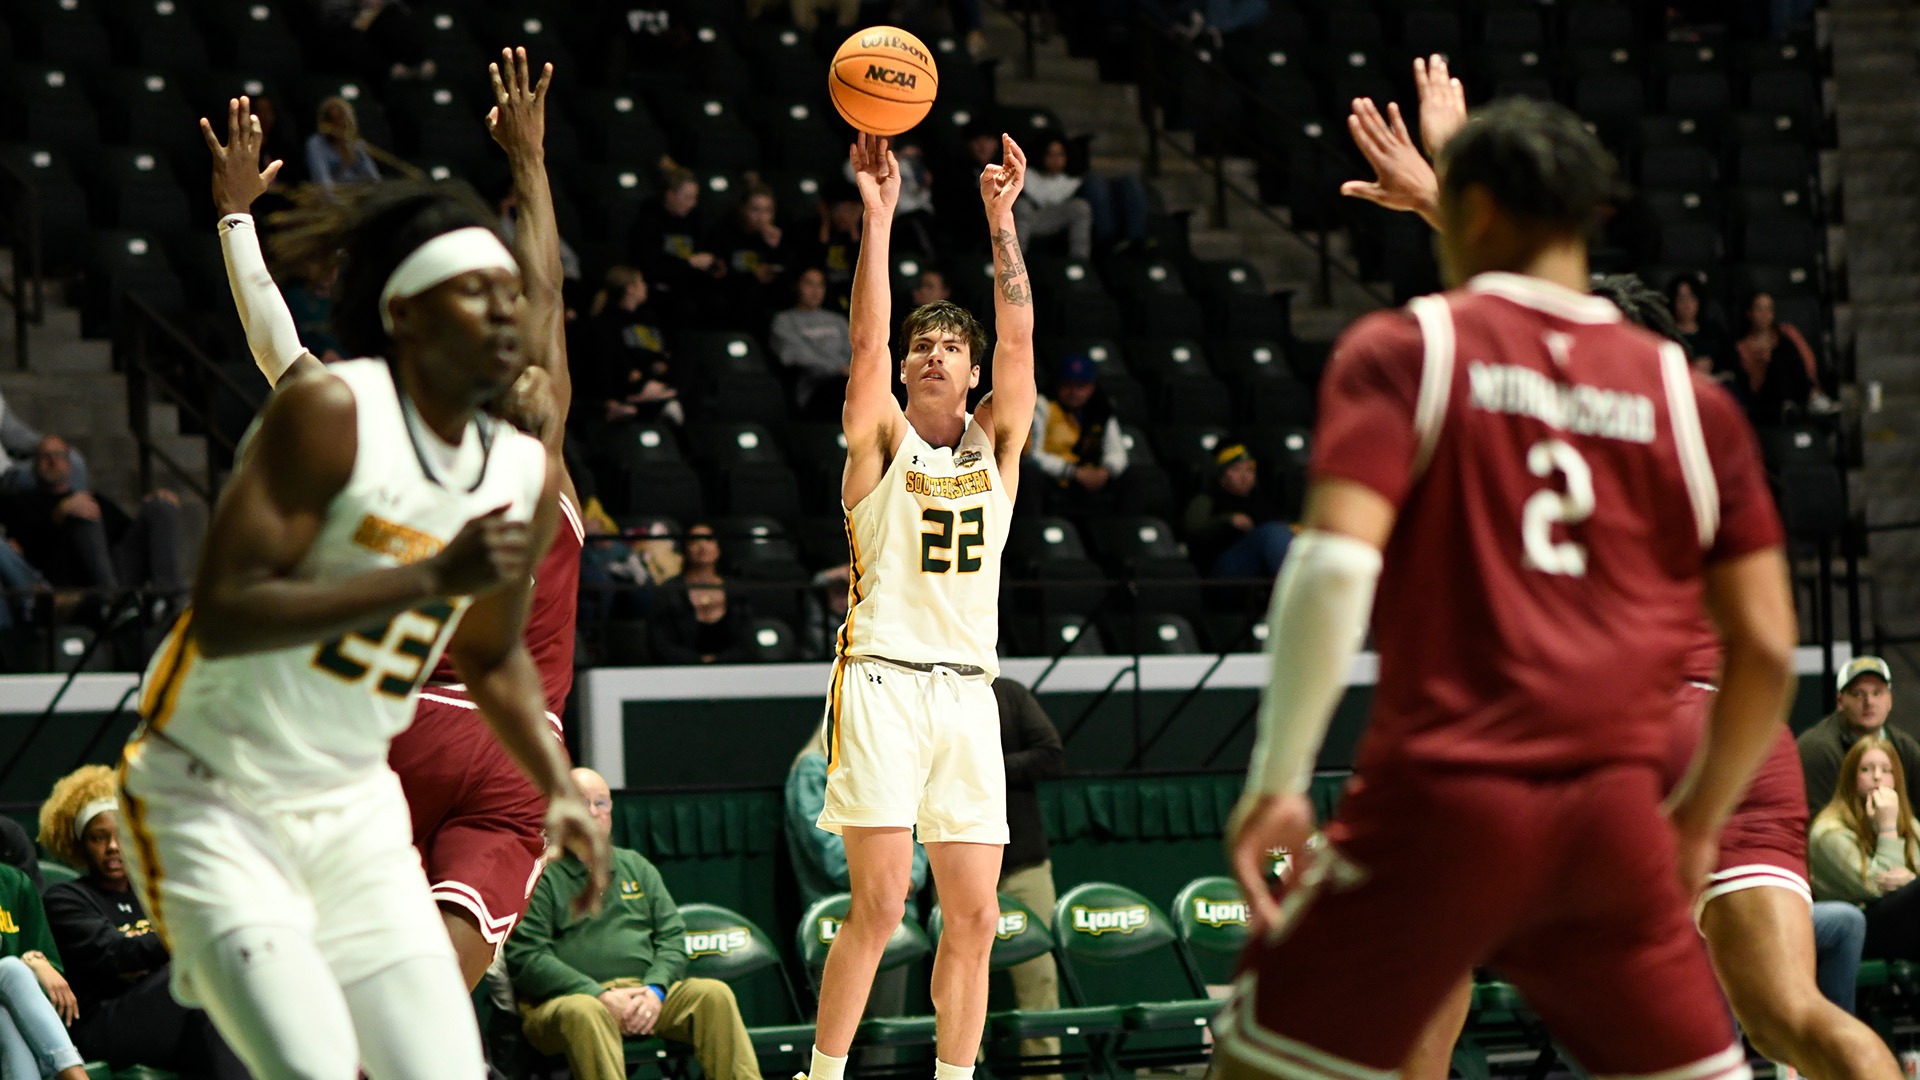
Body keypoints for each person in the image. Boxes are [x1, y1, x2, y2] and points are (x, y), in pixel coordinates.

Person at [1216, 96, 1796, 1080]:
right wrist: (1696, 820)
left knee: (1258, 1067)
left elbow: (1334, 568)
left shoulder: (1409, 350)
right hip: (1613, 825)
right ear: (1590, 216)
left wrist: (1277, 781)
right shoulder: (1690, 404)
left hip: (1442, 802)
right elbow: (1771, 648)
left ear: (1474, 215)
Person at [1340, 64, 1893, 1080]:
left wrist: (1446, 183)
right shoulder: (1701, 429)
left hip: (1619, 731)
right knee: (1790, 1017)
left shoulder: (1563, 409)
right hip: (1738, 736)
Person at [117, 88, 608, 1078]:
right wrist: (427, 574)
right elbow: (226, 610)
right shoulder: (332, 414)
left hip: (354, 803)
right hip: (219, 791)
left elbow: (490, 653)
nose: (513, 314)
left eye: (514, 296)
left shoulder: (518, 470)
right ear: (407, 315)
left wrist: (558, 786)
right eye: (481, 294)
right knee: (314, 1062)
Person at [798, 131, 1035, 1080]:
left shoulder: (997, 449)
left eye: (950, 347)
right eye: (922, 347)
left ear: (971, 375)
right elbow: (862, 338)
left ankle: (954, 1076)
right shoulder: (879, 441)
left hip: (969, 693)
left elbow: (1017, 333)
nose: (934, 355)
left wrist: (1001, 217)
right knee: (884, 904)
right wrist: (881, 211)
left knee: (977, 913)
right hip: (882, 683)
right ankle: (822, 1074)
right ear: (904, 372)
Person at [505, 767, 762, 1080]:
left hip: (643, 994)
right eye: (582, 802)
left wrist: (655, 990)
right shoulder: (540, 875)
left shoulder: (636, 867)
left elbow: (672, 938)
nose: (593, 812)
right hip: (569, 1002)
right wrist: (596, 994)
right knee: (587, 1012)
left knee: (712, 994)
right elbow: (527, 958)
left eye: (602, 803)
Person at [37, 767, 248, 1078]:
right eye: (98, 837)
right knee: (195, 979)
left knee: (213, 1017)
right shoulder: (66, 899)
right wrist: (186, 935)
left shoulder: (154, 894)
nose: (112, 847)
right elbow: (115, 953)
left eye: (121, 835)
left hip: (171, 1015)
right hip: (104, 1026)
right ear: (80, 844)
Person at [0, 435, 185, 606]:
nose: (53, 460)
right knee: (83, 511)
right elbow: (23, 549)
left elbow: (130, 533)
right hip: (73, 586)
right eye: (44, 456)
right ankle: (111, 600)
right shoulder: (22, 503)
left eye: (59, 454)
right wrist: (61, 512)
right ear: (34, 465)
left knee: (160, 507)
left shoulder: (93, 498)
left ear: (70, 463)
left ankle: (168, 599)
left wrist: (158, 500)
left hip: (117, 573)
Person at [992, 678, 1064, 1071]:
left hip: (1023, 863)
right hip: (956, 867)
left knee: (1039, 980)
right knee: (956, 986)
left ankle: (1044, 1076)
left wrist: (990, 768)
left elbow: (1051, 755)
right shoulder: (929, 694)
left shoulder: (1009, 694)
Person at [1809, 737, 1920, 963]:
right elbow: (1878, 887)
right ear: (1850, 778)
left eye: (1886, 770)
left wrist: (1912, 879)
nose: (1877, 777)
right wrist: (1887, 828)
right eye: (1866, 769)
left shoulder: (1910, 824)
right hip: (1857, 930)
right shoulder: (1828, 833)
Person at [0, 860, 87, 1080]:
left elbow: (48, 964)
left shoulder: (14, 882)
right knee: (11, 968)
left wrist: (36, 962)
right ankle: (73, 1072)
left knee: (3, 1014)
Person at [1801, 657, 1919, 813]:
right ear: (1840, 701)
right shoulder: (1818, 749)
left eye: (1877, 693)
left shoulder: (1903, 746)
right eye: (1858, 694)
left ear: (1889, 700)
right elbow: (1820, 826)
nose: (1869, 702)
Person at [1023, 352, 1129, 520]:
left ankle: (1124, 532)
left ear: (1091, 386)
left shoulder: (1101, 410)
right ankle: (1035, 530)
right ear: (1058, 385)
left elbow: (1117, 452)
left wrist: (1106, 471)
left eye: (1081, 385)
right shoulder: (1043, 406)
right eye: (1068, 385)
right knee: (1029, 476)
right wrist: (1071, 471)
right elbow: (1032, 455)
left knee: (1130, 479)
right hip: (1054, 476)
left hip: (1090, 476)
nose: (1074, 392)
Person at [580, 265, 682, 431]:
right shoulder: (607, 323)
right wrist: (640, 386)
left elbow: (663, 354)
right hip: (628, 391)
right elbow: (612, 362)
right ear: (630, 288)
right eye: (641, 282)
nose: (645, 286)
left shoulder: (650, 319)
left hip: (657, 386)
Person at [625, 165, 725, 321]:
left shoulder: (695, 219)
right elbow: (649, 264)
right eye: (687, 198)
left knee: (717, 302)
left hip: (690, 284)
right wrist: (688, 263)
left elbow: (706, 250)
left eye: (694, 198)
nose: (692, 204)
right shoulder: (648, 222)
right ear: (670, 195)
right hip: (659, 287)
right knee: (684, 307)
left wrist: (714, 264)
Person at [1182, 443, 1291, 579]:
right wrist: (1227, 520)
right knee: (1271, 532)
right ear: (1222, 475)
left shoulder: (1262, 503)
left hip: (1261, 567)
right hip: (1222, 567)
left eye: (1249, 470)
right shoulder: (1207, 499)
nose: (1244, 476)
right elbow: (1193, 530)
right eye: (1236, 469)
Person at [771, 268, 854, 420]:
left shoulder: (837, 320)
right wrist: (838, 369)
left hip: (848, 383)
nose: (815, 290)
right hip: (814, 389)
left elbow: (854, 352)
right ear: (797, 286)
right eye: (809, 284)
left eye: (820, 285)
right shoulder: (784, 321)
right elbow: (795, 356)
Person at [1733, 290, 1825, 424]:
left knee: (1784, 346)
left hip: (1798, 386)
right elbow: (1753, 386)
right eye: (1759, 309)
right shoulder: (1742, 347)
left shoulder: (1786, 332)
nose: (1765, 315)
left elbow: (1807, 360)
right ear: (1749, 313)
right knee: (1777, 358)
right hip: (1769, 396)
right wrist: (1763, 362)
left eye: (1769, 309)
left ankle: (1809, 397)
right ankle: (1791, 403)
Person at [1012, 137, 1092, 260]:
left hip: (1057, 221)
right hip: (1029, 220)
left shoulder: (1071, 182)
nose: (1055, 159)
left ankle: (1079, 261)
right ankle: (1015, 261)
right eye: (1050, 154)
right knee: (1021, 205)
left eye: (1059, 155)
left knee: (1080, 207)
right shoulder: (1025, 176)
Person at [1667, 273, 1735, 380]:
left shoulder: (1715, 332)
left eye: (1692, 297)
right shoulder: (1665, 335)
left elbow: (1731, 370)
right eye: (1681, 298)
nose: (1687, 304)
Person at [305, 96, 381, 192]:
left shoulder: (357, 143)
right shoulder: (316, 144)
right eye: (332, 120)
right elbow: (322, 182)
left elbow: (373, 177)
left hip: (362, 195)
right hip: (340, 198)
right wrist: (344, 163)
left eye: (341, 118)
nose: (337, 124)